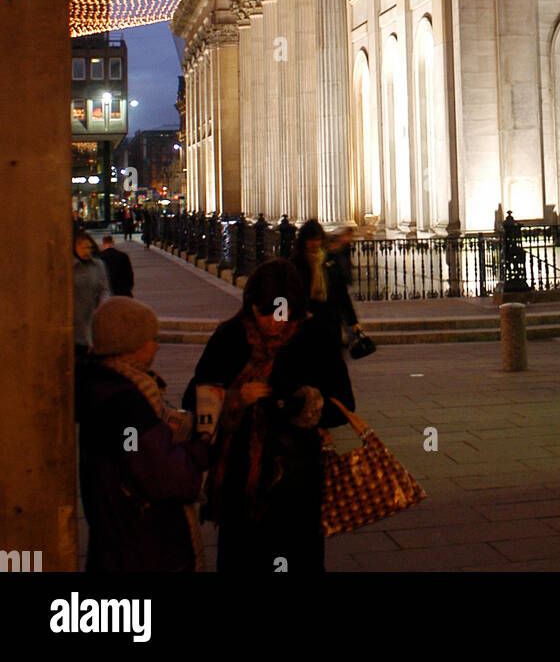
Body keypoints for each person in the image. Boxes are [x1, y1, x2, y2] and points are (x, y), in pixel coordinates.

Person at [186, 258, 354, 574]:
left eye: (282, 312)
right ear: (250, 306)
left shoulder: (314, 337)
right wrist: (234, 399)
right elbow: (194, 397)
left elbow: (343, 404)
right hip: (240, 485)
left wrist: (304, 405)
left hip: (295, 483)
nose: (274, 322)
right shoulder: (231, 337)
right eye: (264, 313)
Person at [77, 296, 208, 572]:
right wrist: (199, 450)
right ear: (130, 347)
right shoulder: (127, 402)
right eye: (151, 339)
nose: (156, 345)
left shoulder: (100, 385)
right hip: (144, 542)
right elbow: (164, 475)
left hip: (116, 537)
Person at [292, 219, 361, 351]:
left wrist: (352, 321)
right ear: (303, 241)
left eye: (317, 239)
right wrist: (281, 318)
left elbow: (341, 293)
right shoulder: (296, 264)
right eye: (311, 240)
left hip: (329, 319)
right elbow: (283, 295)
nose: (314, 244)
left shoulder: (329, 261)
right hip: (305, 321)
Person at [74, 226, 109, 355]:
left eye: (89, 247)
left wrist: (102, 305)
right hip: (75, 317)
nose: (86, 251)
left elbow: (104, 289)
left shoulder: (98, 265)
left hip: (92, 314)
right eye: (83, 247)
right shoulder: (71, 266)